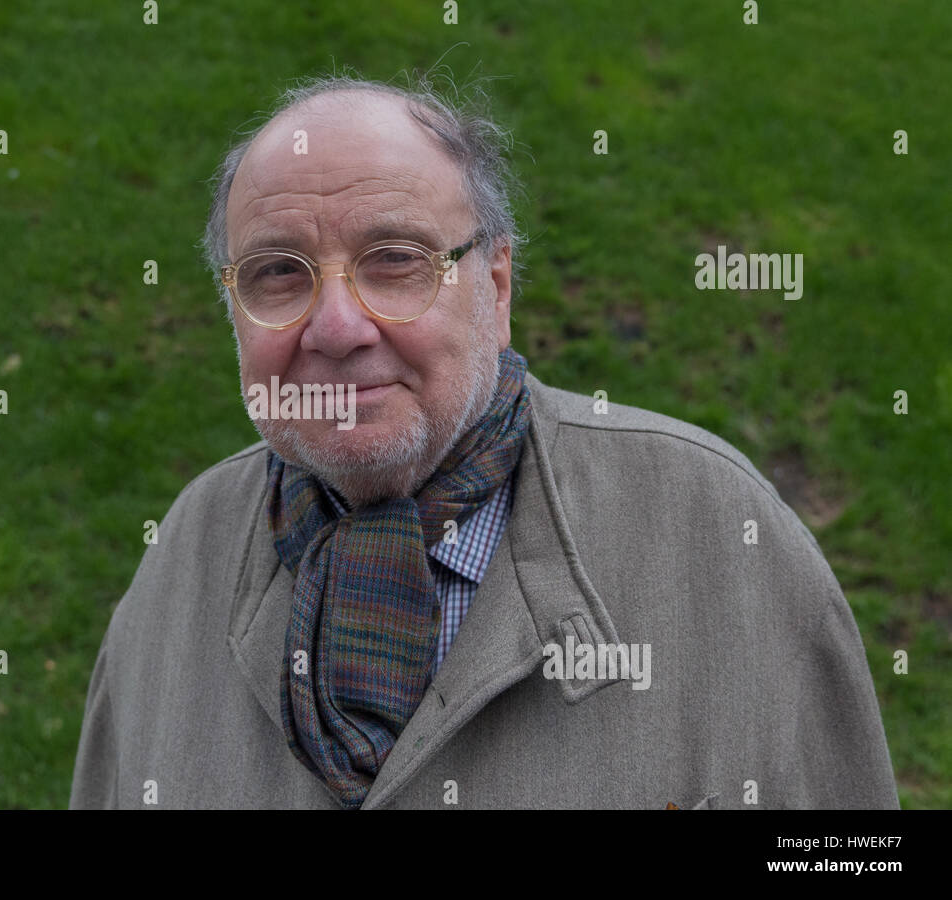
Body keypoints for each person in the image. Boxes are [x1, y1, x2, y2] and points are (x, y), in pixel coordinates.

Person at [69, 74, 900, 809]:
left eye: (394, 260)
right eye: (278, 273)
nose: (336, 326)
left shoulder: (722, 535)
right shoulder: (181, 557)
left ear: (496, 287)